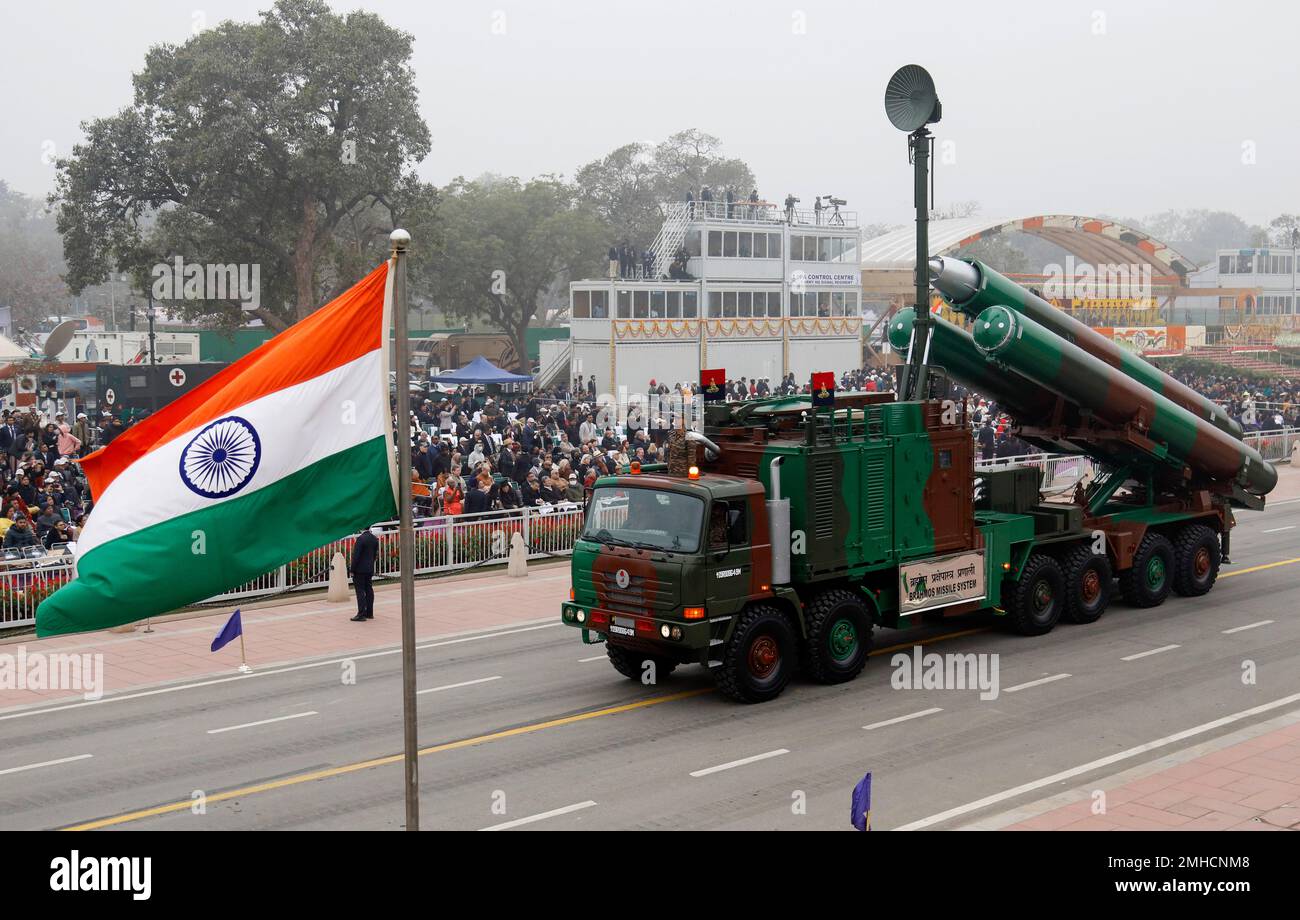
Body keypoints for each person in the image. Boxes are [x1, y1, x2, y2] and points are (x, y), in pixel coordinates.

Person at [350, 526, 379, 621]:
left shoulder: (361, 539)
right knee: (369, 590)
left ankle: (361, 614)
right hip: (369, 568)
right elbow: (375, 555)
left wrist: (352, 569)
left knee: (360, 591)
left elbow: (356, 556)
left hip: (359, 570)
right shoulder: (374, 538)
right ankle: (370, 613)